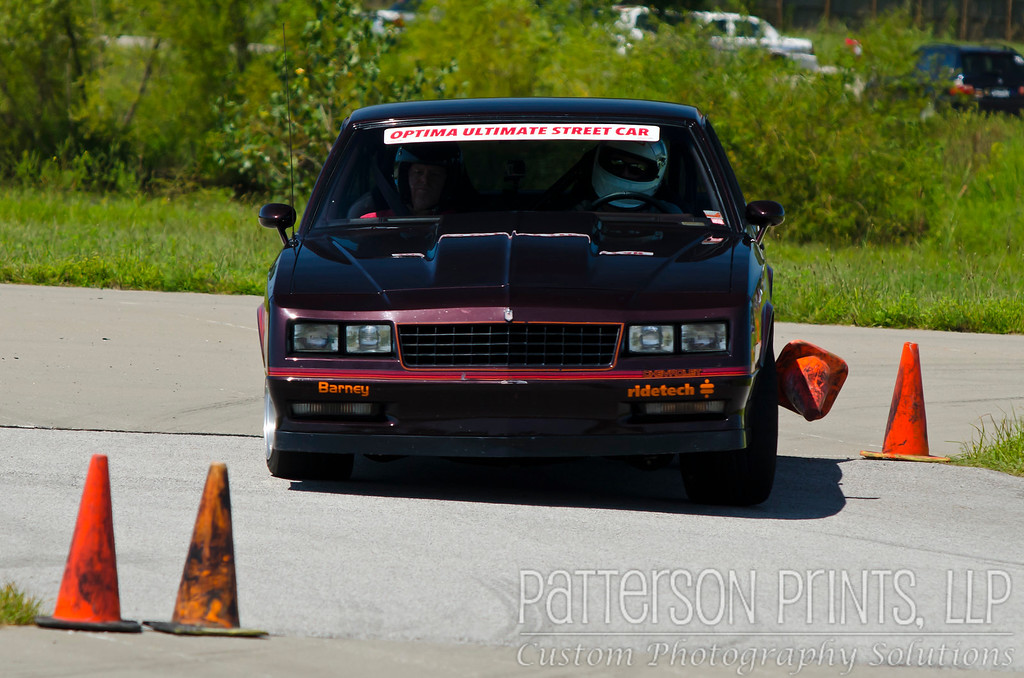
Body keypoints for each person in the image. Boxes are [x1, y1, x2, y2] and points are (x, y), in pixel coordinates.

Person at [359, 142, 463, 218]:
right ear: (404, 178)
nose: (425, 180)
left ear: (447, 182)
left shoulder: (458, 224)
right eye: (418, 173)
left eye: (435, 174)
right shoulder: (374, 223)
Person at [585, 139, 668, 211]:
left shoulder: (669, 214)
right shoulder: (582, 211)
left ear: (649, 173)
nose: (625, 173)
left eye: (636, 168)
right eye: (617, 163)